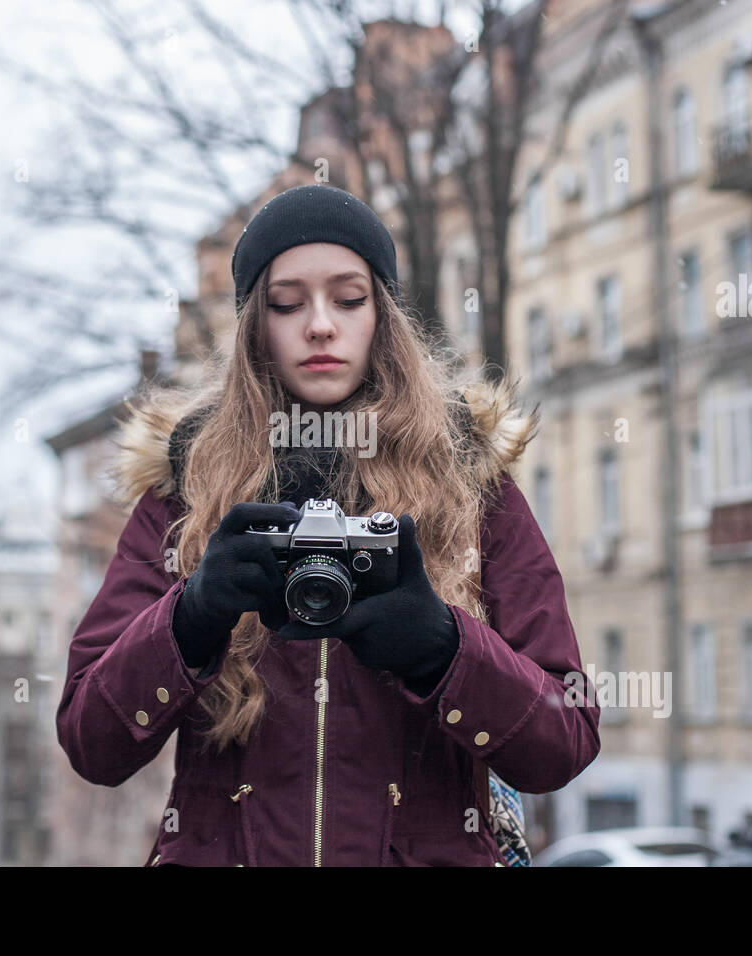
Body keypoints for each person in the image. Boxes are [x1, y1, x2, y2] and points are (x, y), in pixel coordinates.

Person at [56, 183, 600, 866]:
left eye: (348, 299)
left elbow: (564, 741)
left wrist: (442, 648)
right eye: (287, 303)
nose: (319, 325)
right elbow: (91, 742)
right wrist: (188, 619)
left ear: (383, 316)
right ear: (256, 322)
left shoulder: (471, 483)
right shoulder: (184, 490)